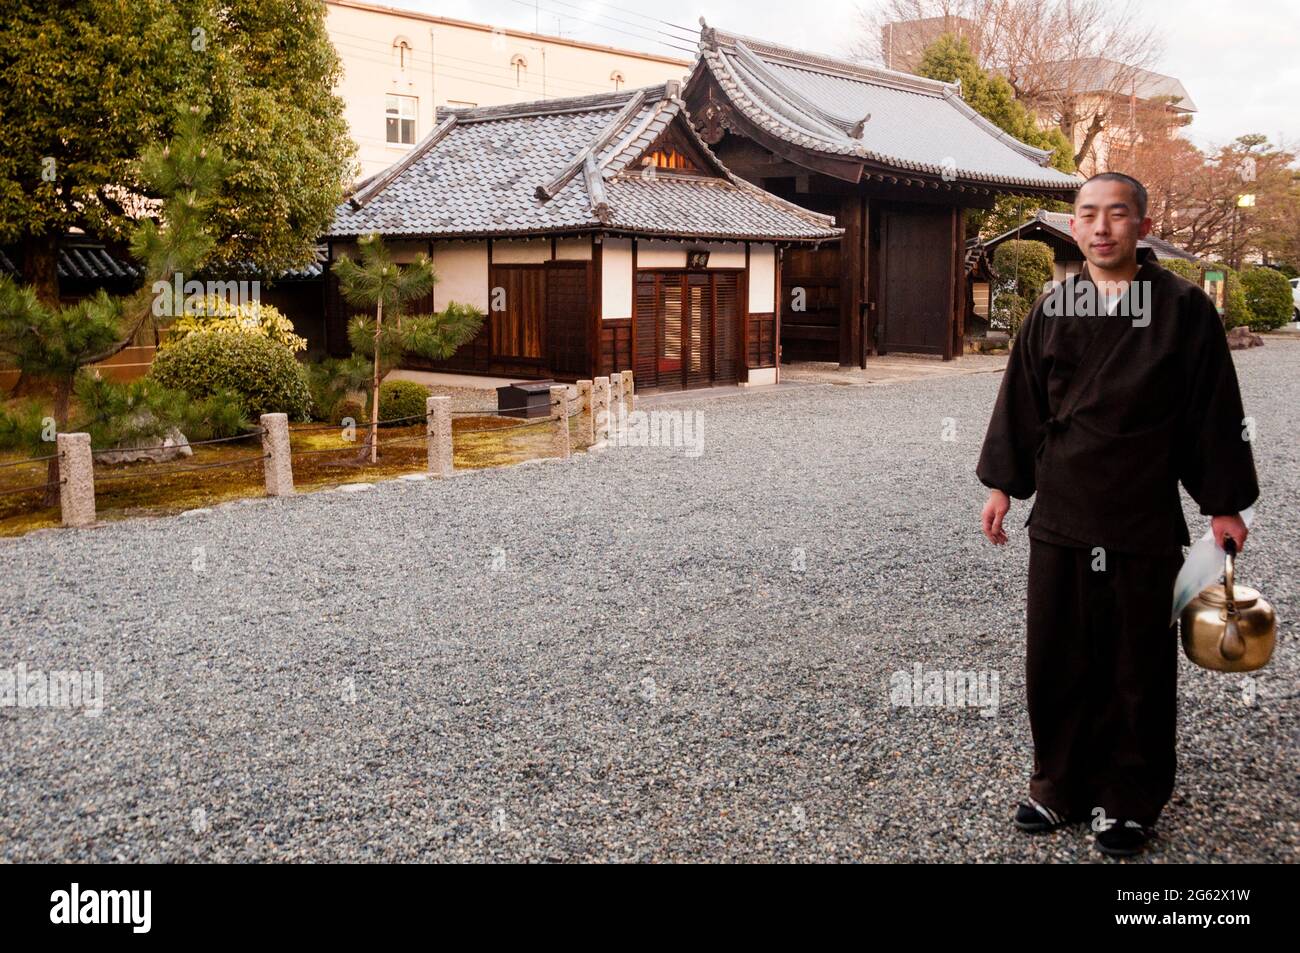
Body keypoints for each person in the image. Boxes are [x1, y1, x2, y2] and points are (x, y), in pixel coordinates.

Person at [976, 172, 1259, 858]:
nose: (1101, 227)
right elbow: (1023, 400)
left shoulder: (1184, 309)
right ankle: (1059, 783)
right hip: (1065, 509)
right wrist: (1002, 486)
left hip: (1140, 511)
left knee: (1137, 660)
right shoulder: (1054, 306)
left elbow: (1212, 411)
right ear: (1075, 226)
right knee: (1056, 653)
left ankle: (1129, 796)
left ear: (1142, 223)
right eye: (1088, 215)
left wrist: (1222, 503)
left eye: (1117, 214)